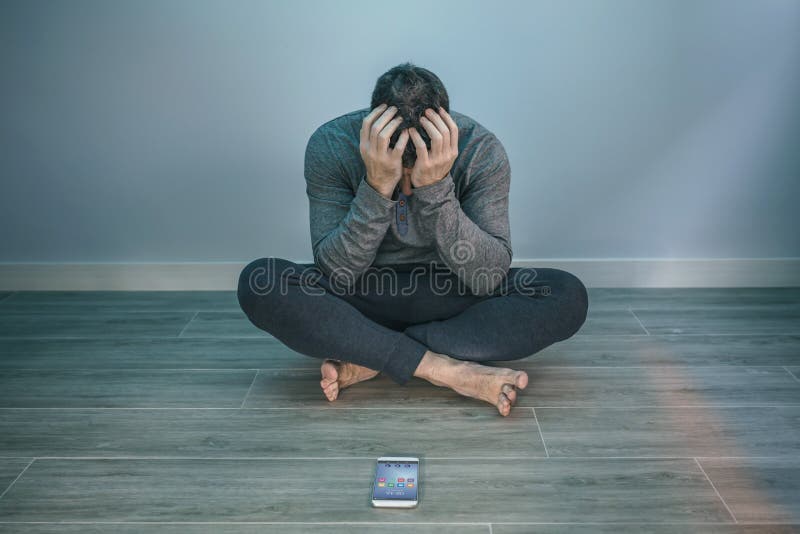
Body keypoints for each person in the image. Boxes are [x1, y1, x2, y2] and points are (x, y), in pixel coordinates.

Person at [238, 62, 588, 416]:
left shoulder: (482, 150)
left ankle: (374, 355)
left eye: (414, 173)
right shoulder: (330, 145)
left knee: (565, 294)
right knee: (260, 282)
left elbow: (487, 275)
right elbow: (338, 273)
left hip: (452, 292)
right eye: (400, 174)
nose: (406, 188)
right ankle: (445, 369)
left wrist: (435, 188)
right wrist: (376, 186)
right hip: (363, 292)